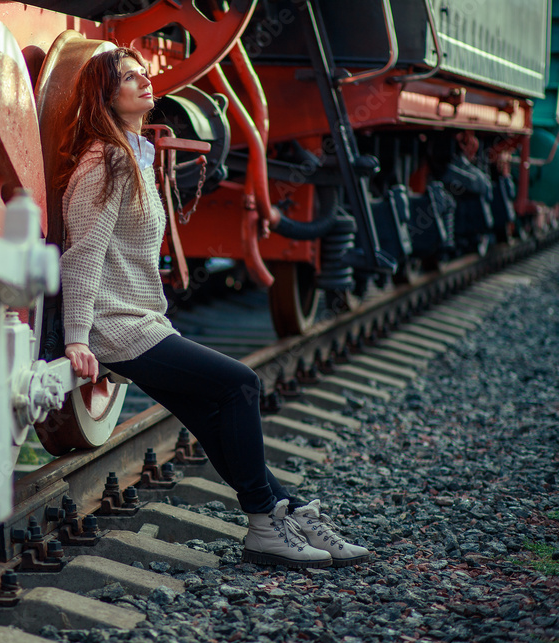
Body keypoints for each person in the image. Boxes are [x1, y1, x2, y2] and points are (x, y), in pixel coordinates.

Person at [56, 47, 370, 569]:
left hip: (143, 321)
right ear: (104, 96)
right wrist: (77, 338)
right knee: (239, 384)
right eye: (127, 77)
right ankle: (267, 521)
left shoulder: (133, 153)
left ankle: (285, 514)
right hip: (116, 328)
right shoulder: (105, 160)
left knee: (213, 413)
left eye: (142, 72)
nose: (143, 81)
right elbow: (83, 254)